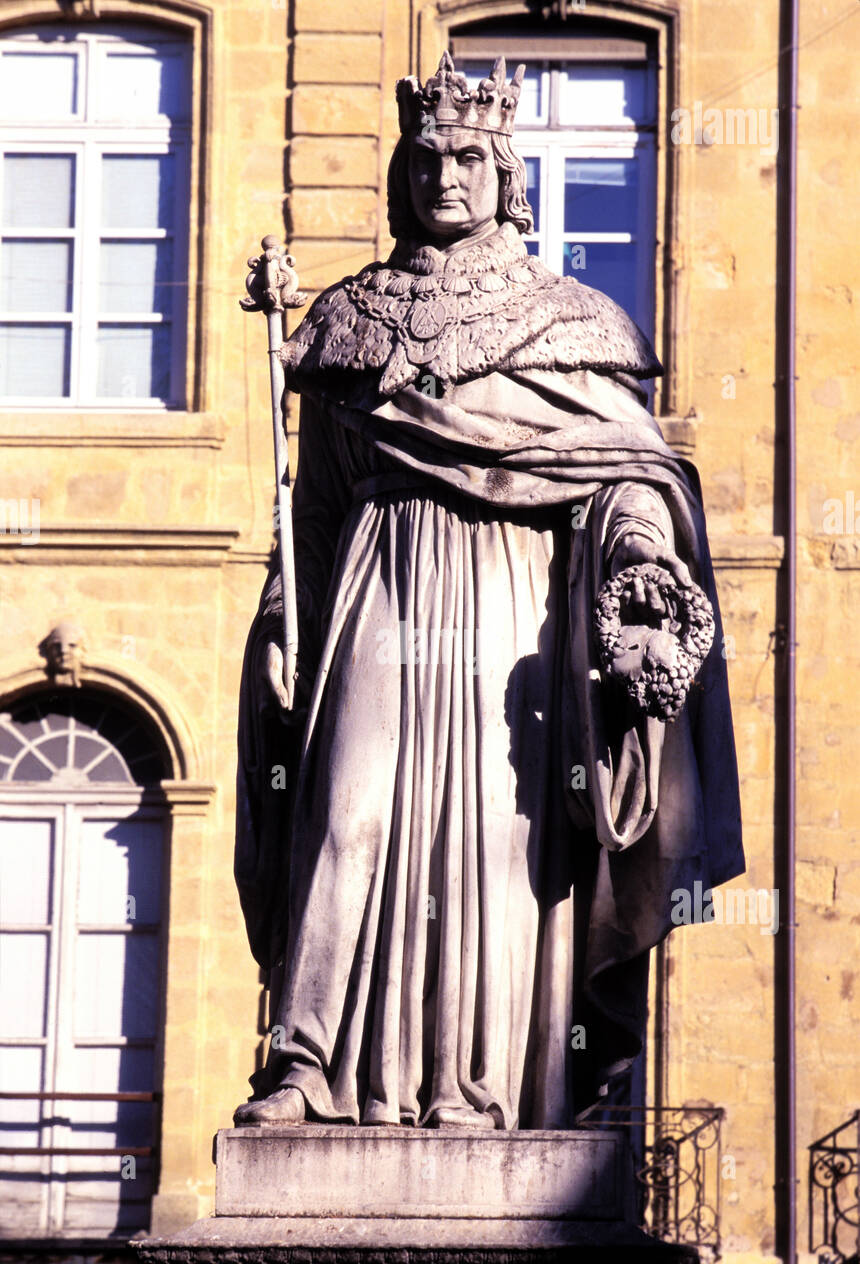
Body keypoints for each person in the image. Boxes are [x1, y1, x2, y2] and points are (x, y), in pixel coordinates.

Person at [233, 53, 743, 1130]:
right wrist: (288, 616)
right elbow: (313, 506)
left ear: (504, 170)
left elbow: (626, 475)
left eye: (466, 157)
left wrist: (641, 566)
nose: (443, 178)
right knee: (347, 814)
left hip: (515, 603)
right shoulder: (344, 322)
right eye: (424, 158)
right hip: (378, 590)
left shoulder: (570, 321)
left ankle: (498, 1087)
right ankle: (308, 1061)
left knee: (499, 847)